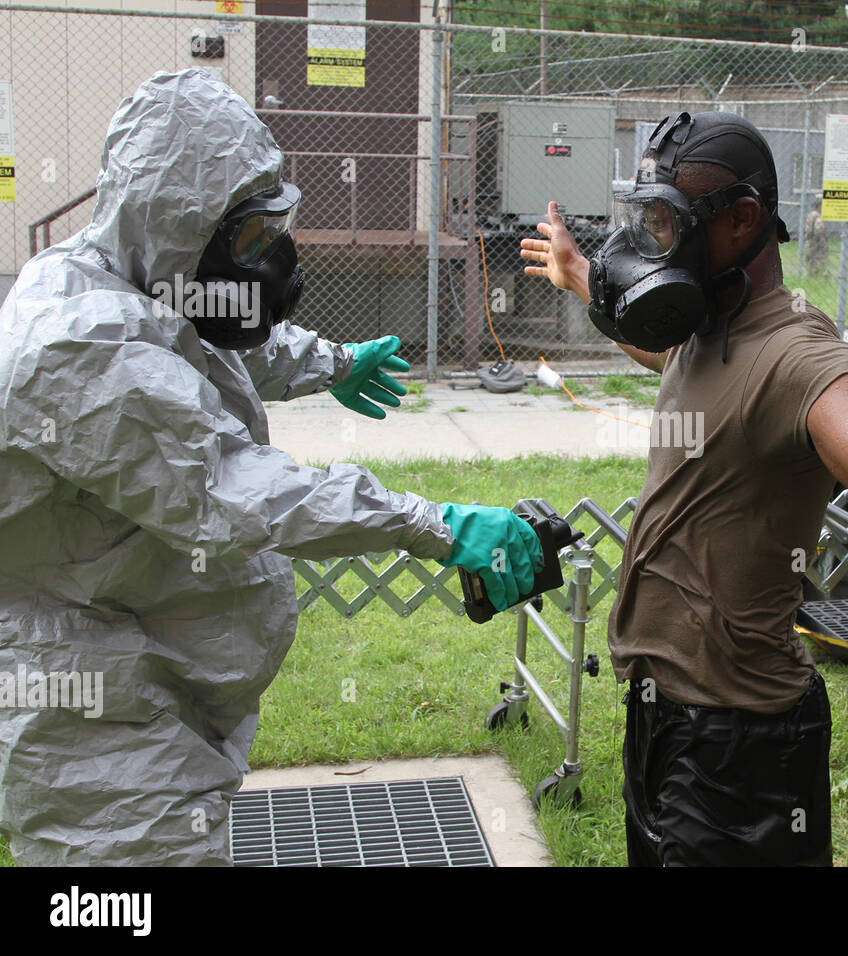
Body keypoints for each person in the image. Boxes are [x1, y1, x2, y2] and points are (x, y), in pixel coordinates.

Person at [0, 70, 541, 866]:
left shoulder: (137, 275)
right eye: (247, 240)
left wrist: (335, 360)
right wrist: (435, 523)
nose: (265, 262)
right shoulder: (71, 346)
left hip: (147, 677)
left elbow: (204, 341)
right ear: (179, 222)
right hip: (92, 721)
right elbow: (232, 489)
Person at [520, 111, 848, 866]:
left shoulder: (803, 355)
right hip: (662, 719)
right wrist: (576, 277)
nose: (649, 243)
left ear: (740, 221)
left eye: (665, 222)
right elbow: (662, 360)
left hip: (741, 749)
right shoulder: (703, 327)